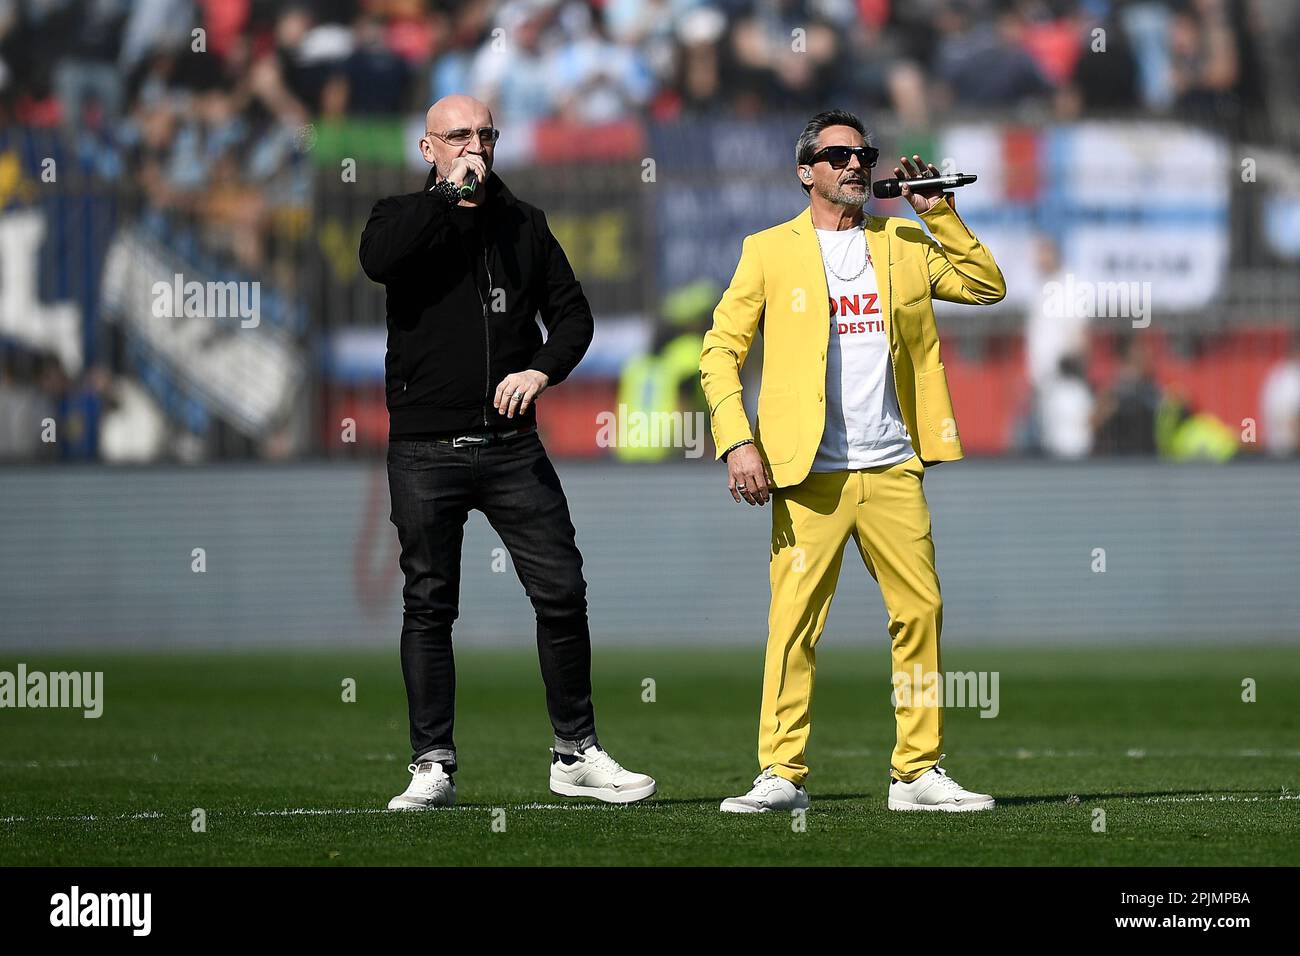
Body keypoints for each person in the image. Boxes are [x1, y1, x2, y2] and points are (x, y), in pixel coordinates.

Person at [700, 109, 1004, 813]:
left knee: (919, 614)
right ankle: (781, 773)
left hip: (893, 466)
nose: (855, 165)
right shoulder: (769, 251)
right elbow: (719, 350)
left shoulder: (901, 239)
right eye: (837, 155)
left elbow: (987, 285)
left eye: (864, 154)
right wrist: (736, 439)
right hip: (808, 473)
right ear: (807, 170)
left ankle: (917, 773)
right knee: (796, 622)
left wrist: (939, 212)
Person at [359, 94, 656, 809]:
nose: (475, 148)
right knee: (430, 604)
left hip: (510, 447)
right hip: (426, 448)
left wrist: (541, 370)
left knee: (561, 590)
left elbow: (575, 316)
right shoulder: (398, 217)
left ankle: (575, 752)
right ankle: (432, 763)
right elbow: (378, 261)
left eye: (485, 135)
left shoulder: (524, 224)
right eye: (458, 136)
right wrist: (445, 201)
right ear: (428, 148)